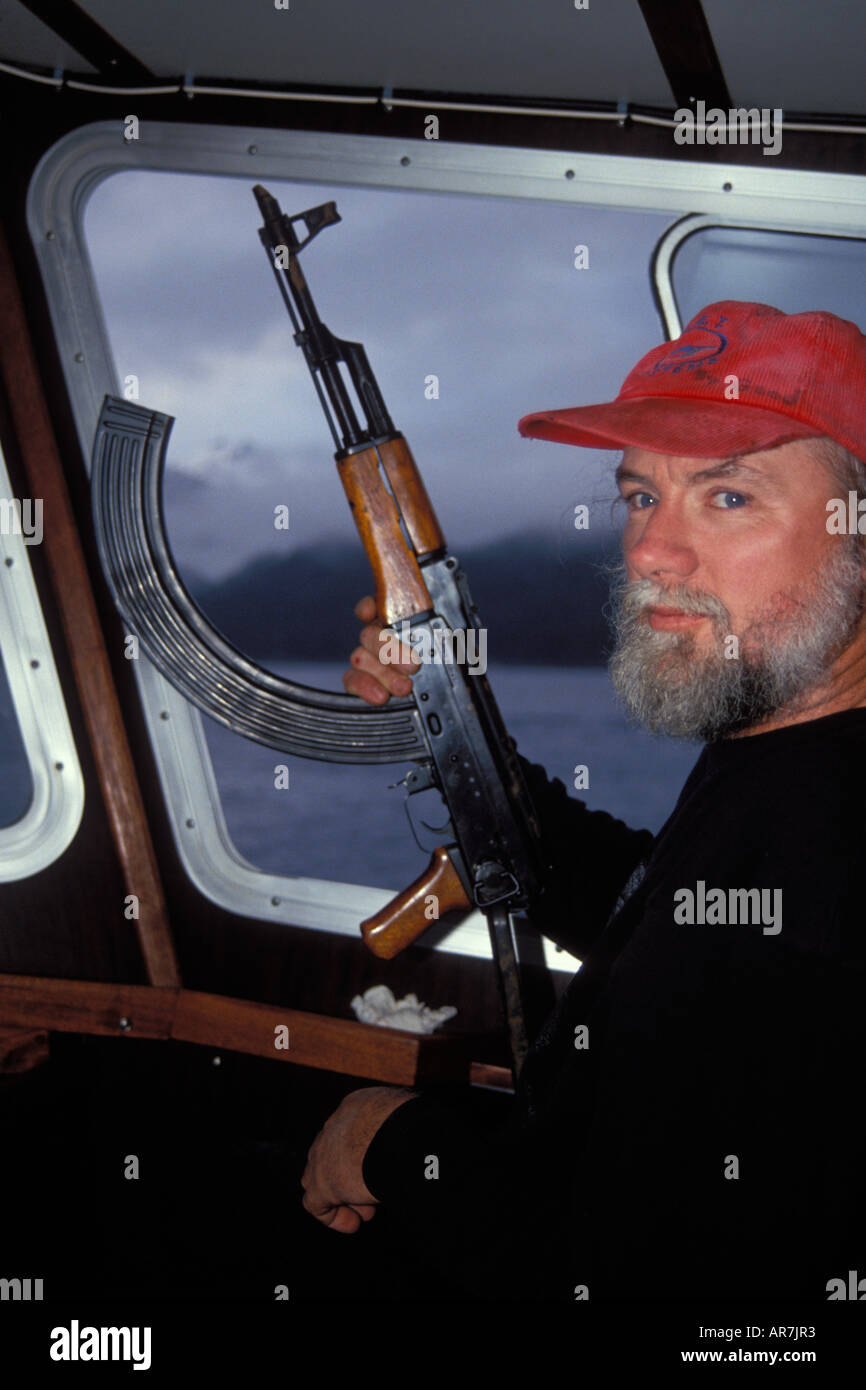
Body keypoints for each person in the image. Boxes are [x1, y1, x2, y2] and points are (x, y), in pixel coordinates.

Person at [301, 300, 866, 1300]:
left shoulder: (824, 890)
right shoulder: (784, 740)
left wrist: (395, 1141)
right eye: (639, 495)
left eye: (727, 496)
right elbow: (659, 907)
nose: (650, 550)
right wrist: (459, 739)